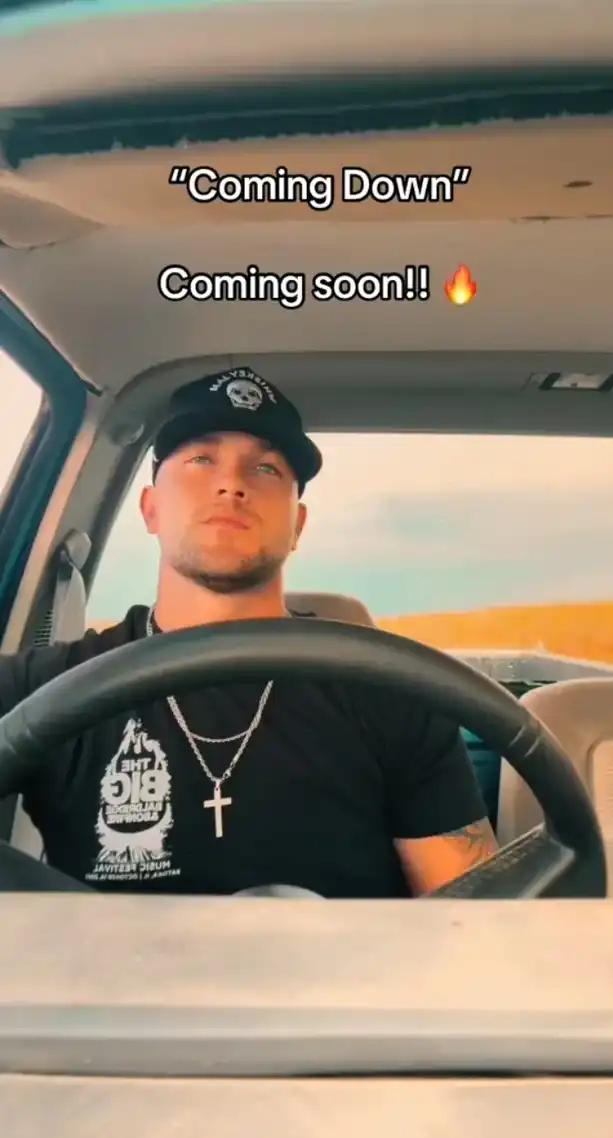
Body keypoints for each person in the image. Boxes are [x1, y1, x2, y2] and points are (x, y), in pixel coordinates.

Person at [0, 366, 498, 897]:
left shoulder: (394, 693)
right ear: (151, 509)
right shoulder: (44, 689)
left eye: (265, 469)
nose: (231, 484)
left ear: (297, 525)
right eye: (201, 459)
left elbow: (475, 917)